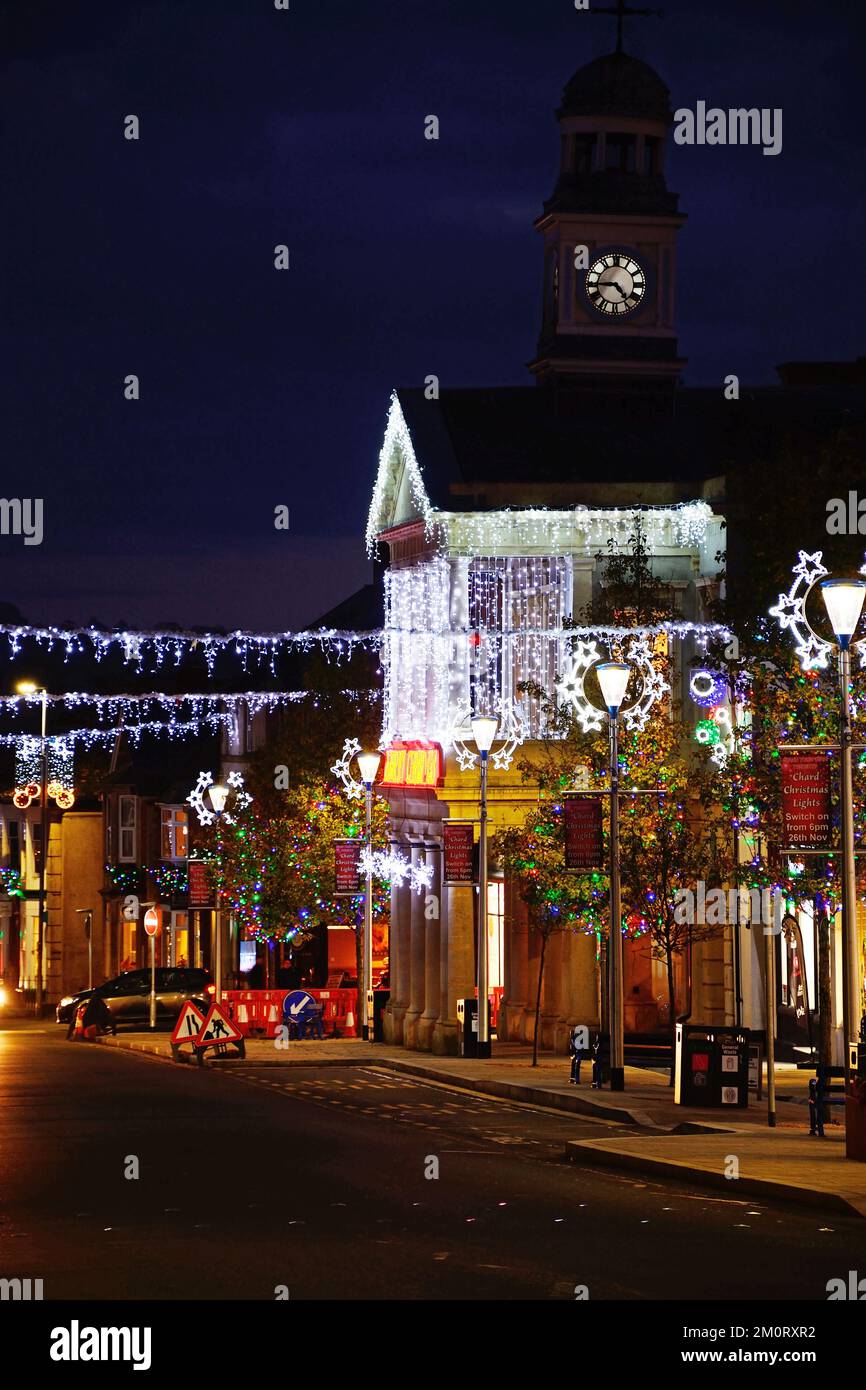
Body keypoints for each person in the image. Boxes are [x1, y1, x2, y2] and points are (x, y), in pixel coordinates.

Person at [809, 1067, 826, 1137]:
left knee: (814, 1105)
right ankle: (817, 1128)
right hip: (820, 1098)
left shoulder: (819, 1082)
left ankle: (814, 1128)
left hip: (818, 1099)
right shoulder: (822, 1081)